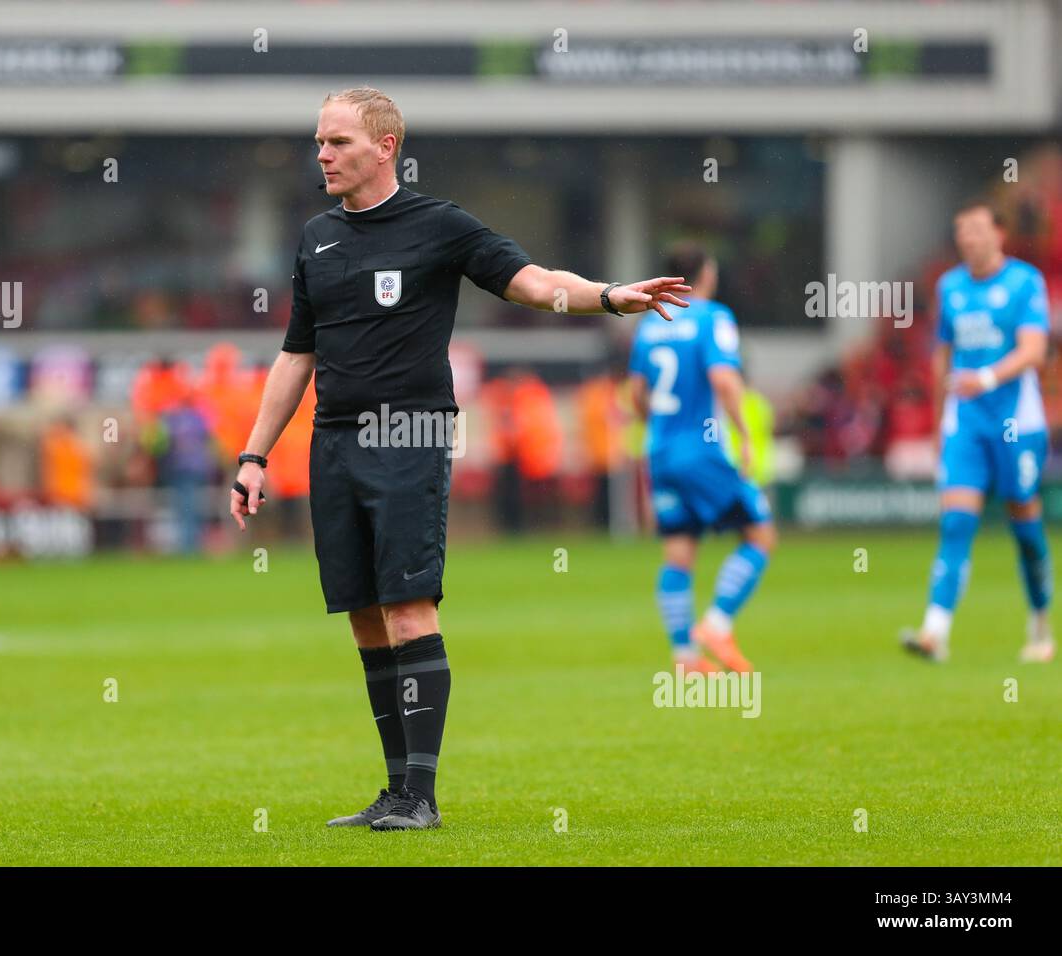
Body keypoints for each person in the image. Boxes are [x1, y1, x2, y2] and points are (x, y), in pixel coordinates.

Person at [228, 87, 689, 831]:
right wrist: (254, 454)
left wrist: (606, 297)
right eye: (318, 141)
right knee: (364, 617)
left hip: (408, 433)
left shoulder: (439, 226)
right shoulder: (316, 237)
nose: (322, 154)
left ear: (385, 148)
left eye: (337, 141)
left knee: (409, 606)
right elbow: (296, 353)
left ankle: (422, 796)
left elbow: (534, 283)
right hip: (335, 439)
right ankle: (393, 790)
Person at [901, 199, 1054, 663]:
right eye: (960, 230)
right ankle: (934, 631)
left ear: (999, 234)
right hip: (966, 422)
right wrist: (938, 419)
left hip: (1016, 421)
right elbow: (941, 356)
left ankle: (1040, 622)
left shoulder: (1025, 282)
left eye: (975, 229)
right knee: (956, 522)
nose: (966, 237)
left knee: (1024, 524)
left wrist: (985, 378)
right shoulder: (950, 287)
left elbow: (1034, 351)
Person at [628, 243, 776, 675]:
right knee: (760, 536)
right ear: (704, 275)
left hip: (660, 451)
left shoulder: (650, 325)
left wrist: (656, 428)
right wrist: (745, 433)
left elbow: (636, 394)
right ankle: (716, 623)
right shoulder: (713, 316)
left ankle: (684, 656)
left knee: (678, 551)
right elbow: (723, 378)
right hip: (703, 449)